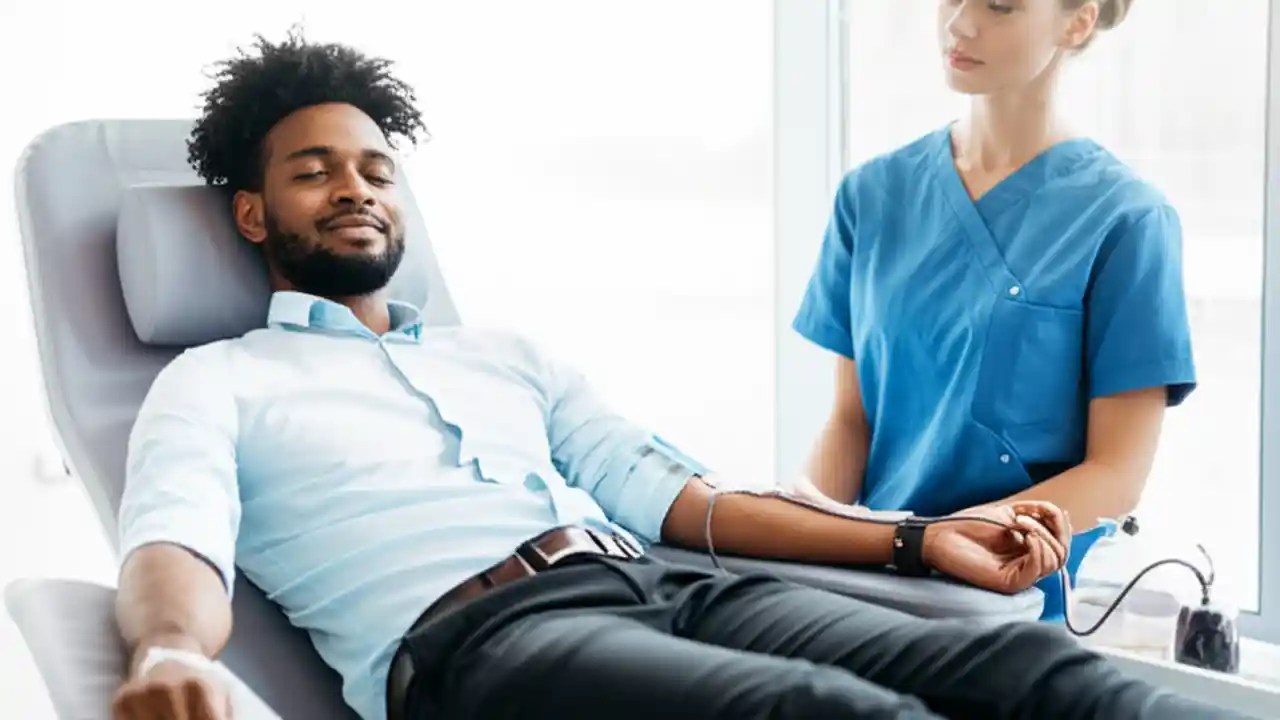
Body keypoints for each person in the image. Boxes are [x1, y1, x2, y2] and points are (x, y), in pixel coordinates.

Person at [109, 31, 1236, 720]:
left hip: (661, 583)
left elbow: (679, 504)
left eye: (374, 168)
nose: (354, 188)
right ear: (254, 213)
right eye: (314, 173)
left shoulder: (502, 356)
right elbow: (174, 544)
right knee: (825, 715)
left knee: (1042, 684)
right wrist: (165, 647)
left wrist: (914, 537)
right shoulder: (217, 381)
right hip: (483, 647)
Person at [793, 0, 1195, 618]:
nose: (959, 23)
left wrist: (940, 544)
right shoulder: (871, 197)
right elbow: (853, 421)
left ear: (1077, 21)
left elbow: (1115, 473)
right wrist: (795, 552)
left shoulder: (1127, 221)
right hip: (865, 593)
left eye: (1000, 5)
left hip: (1013, 610)